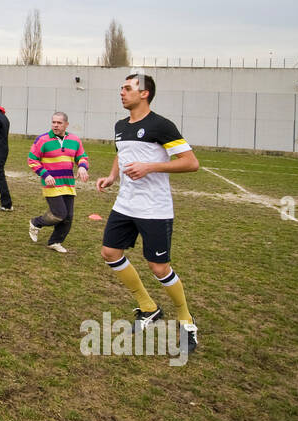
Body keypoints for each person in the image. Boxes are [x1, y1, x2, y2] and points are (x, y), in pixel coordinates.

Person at [96, 73, 200, 351]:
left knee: (159, 267)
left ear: (145, 94)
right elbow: (121, 153)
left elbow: (191, 163)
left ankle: (186, 320)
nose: (122, 92)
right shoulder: (120, 125)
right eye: (121, 87)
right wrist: (111, 177)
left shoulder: (161, 125)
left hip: (154, 208)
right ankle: (148, 307)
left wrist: (150, 167)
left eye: (128, 88)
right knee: (110, 252)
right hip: (125, 204)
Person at [27, 112, 89, 252]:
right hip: (51, 183)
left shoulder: (75, 140)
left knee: (68, 217)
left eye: (59, 123)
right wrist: (45, 174)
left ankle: (54, 242)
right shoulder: (42, 140)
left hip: (68, 183)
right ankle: (36, 222)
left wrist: (82, 167)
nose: (55, 125)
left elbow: (82, 157)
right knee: (59, 214)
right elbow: (32, 159)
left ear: (66, 124)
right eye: (53, 122)